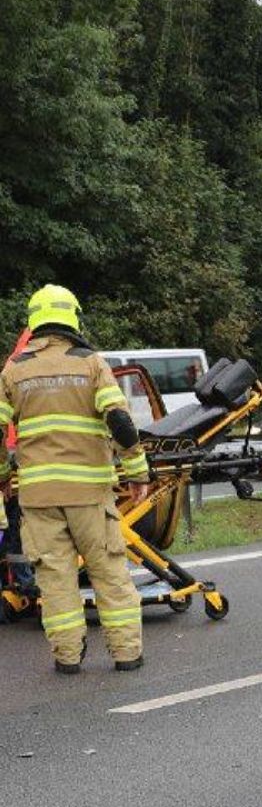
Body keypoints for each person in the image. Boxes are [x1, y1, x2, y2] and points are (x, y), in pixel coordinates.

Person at [0, 285, 151, 673]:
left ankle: (67, 658)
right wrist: (137, 471)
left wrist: (2, 477)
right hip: (89, 493)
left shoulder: (14, 369)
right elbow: (119, 421)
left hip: (38, 497)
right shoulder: (91, 364)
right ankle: (126, 654)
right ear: (72, 317)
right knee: (109, 573)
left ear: (34, 319)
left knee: (55, 579)